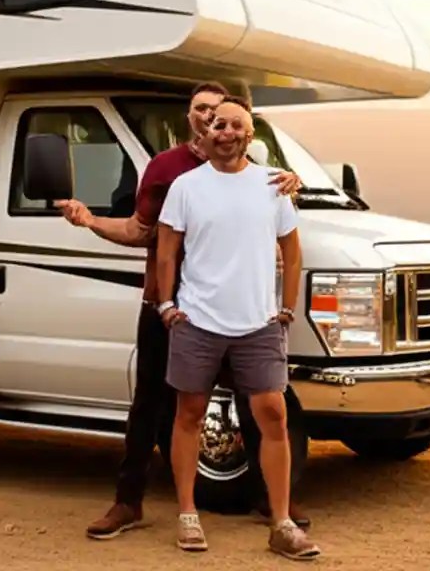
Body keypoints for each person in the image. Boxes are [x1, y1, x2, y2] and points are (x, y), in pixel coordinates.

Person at [53, 82, 309, 540]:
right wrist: (90, 220)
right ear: (194, 119)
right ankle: (128, 503)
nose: (214, 120)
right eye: (204, 112)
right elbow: (141, 231)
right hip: (172, 307)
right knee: (154, 405)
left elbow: (281, 227)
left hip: (244, 312)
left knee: (259, 407)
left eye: (224, 113)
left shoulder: (266, 177)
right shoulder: (168, 169)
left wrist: (297, 182)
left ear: (243, 126)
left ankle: (271, 504)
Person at [155, 96, 321, 560]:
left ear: (251, 136)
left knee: (273, 415)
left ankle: (282, 522)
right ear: (205, 132)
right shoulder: (186, 187)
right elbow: (167, 251)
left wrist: (286, 309)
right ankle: (188, 514)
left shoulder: (272, 186)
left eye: (236, 125)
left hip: (259, 323)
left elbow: (291, 252)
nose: (225, 131)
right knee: (188, 415)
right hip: (198, 318)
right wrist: (168, 305)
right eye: (217, 124)